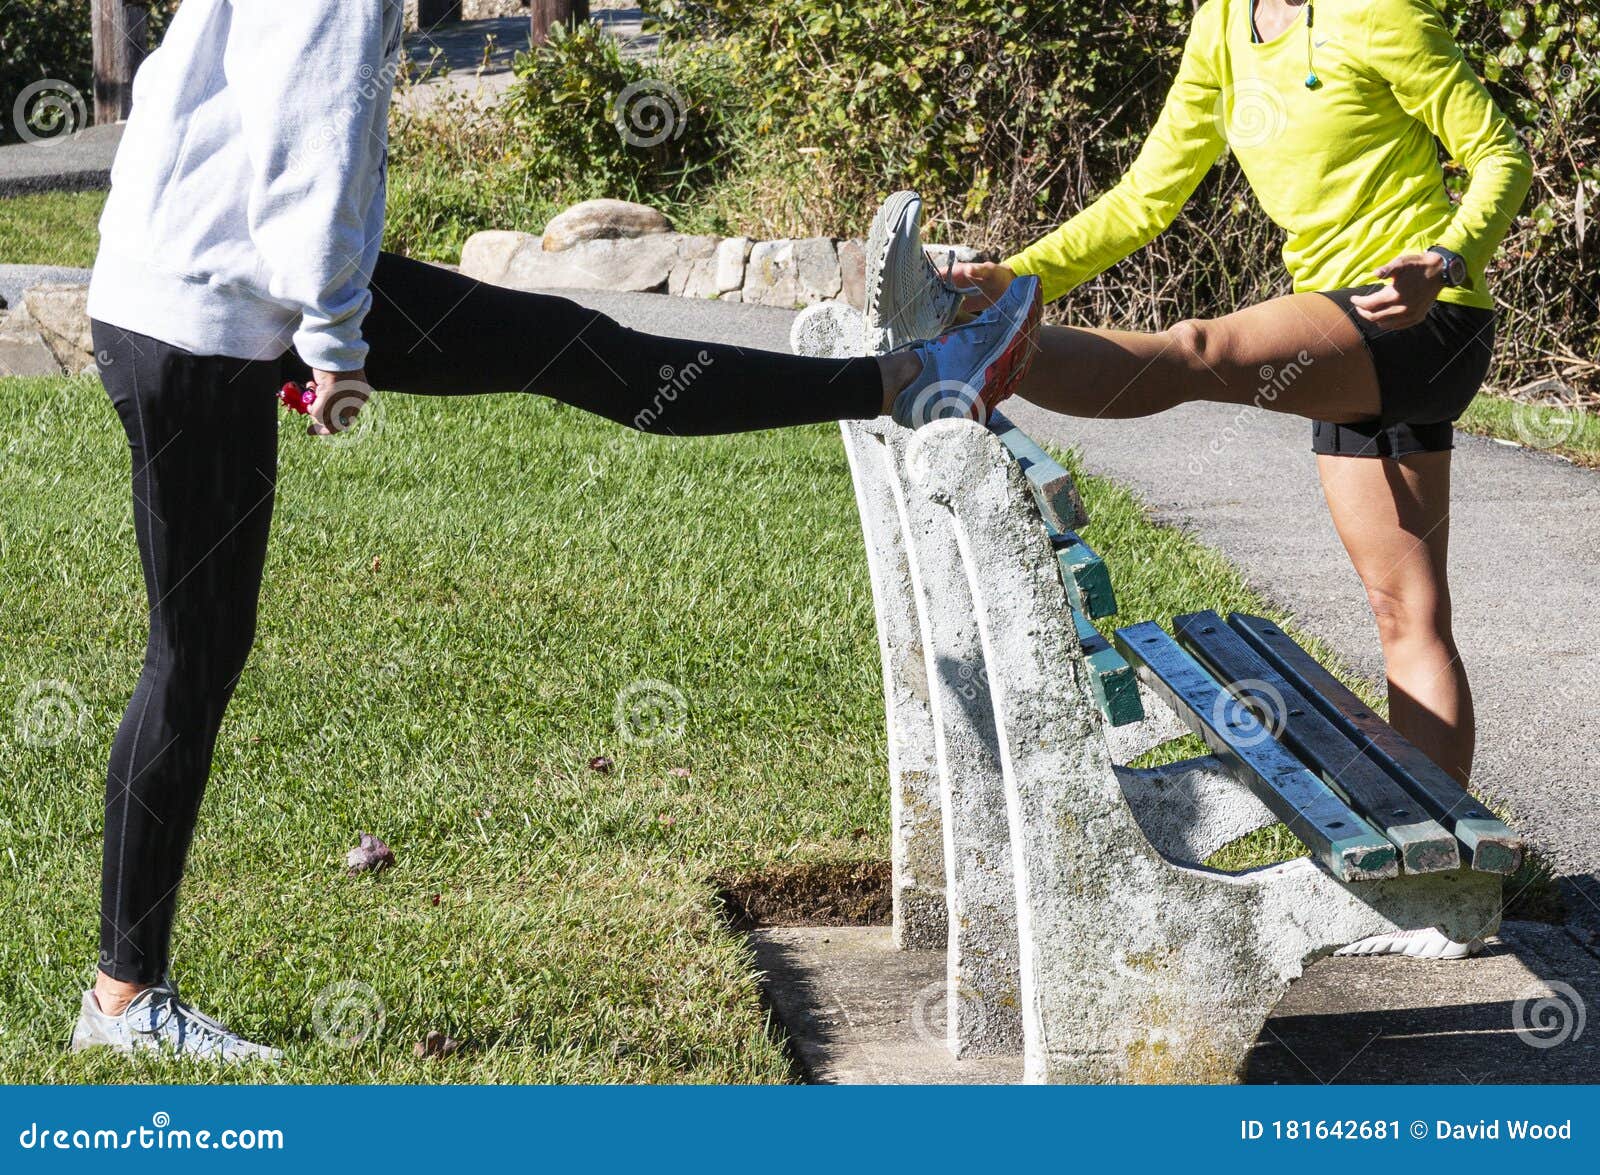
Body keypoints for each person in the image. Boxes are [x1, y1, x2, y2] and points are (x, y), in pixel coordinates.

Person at [75, 0, 1041, 1062]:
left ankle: (903, 379)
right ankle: (125, 1000)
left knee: (578, 350)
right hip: (208, 320)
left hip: (180, 290)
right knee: (193, 655)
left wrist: (300, 313)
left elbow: (185, 93)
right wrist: (334, 344)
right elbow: (314, 140)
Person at [868, 0, 1530, 959]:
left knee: (1197, 350)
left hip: (1424, 317)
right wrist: (1022, 266)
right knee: (1407, 610)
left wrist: (1446, 257)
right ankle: (1447, 896)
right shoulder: (1224, 23)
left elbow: (1499, 151)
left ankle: (970, 354)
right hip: (1340, 330)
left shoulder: (1376, 13)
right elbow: (1147, 196)